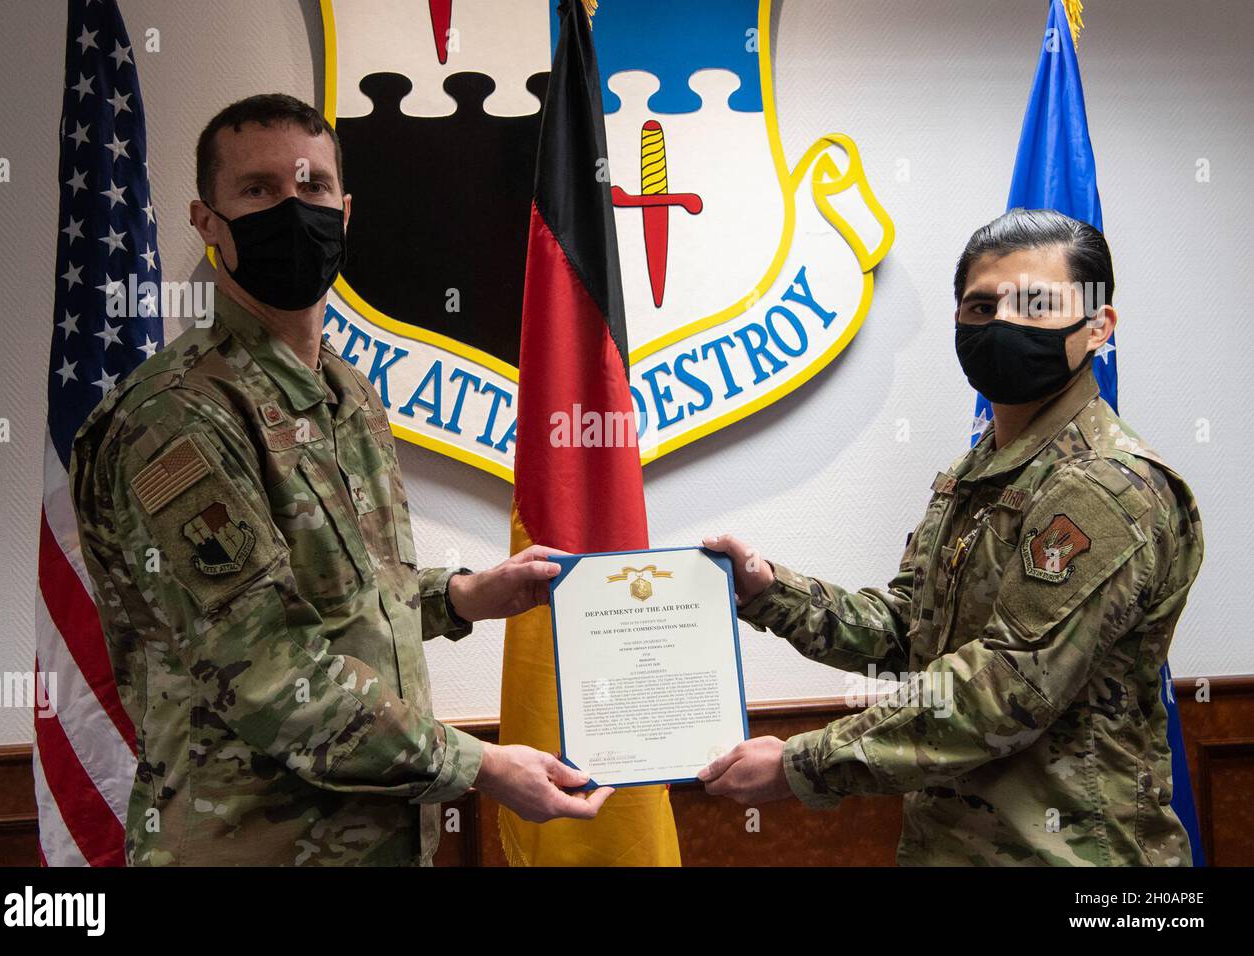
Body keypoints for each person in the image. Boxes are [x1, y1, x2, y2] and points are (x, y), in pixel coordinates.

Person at [70, 93, 612, 866]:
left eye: (312, 187)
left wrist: (462, 597)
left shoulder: (347, 396)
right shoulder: (178, 418)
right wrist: (482, 765)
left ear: (345, 210)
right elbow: (268, 670)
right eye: (258, 190)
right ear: (205, 220)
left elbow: (346, 602)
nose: (292, 211)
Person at [699, 208, 1203, 866]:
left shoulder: (1105, 485)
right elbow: (911, 637)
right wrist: (769, 591)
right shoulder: (978, 473)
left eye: (1036, 303)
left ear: (1098, 326)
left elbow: (1002, 689)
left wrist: (801, 764)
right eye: (981, 305)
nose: (1002, 324)